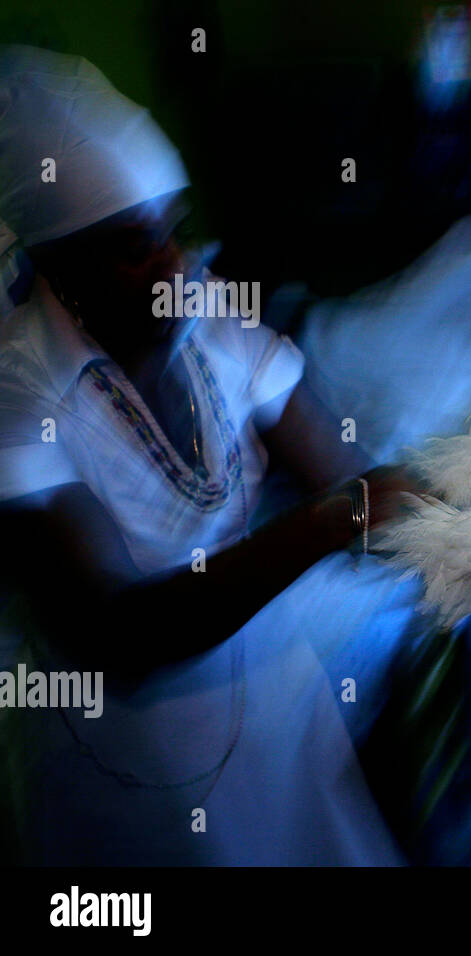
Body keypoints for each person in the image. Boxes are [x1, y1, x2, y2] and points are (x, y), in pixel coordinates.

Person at [0, 45, 419, 864]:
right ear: (58, 269)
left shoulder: (204, 317)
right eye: (134, 248)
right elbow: (115, 634)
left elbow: (337, 465)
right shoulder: (20, 398)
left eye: (175, 234)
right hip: (123, 744)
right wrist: (331, 523)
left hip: (260, 686)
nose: (173, 269)